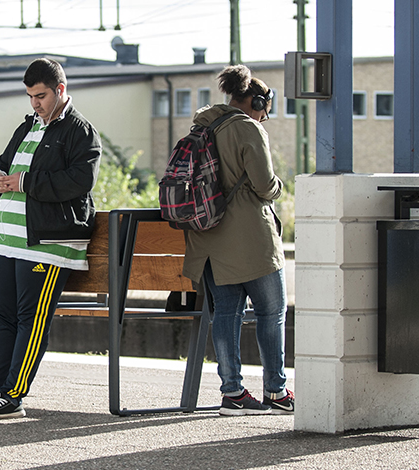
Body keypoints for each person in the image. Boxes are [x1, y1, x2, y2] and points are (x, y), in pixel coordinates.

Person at [0, 58, 101, 420]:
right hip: (6, 238)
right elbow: (3, 164)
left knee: (30, 320)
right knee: (3, 316)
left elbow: (79, 182)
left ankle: (12, 396)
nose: (35, 103)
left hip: (47, 244)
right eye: (30, 96)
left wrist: (22, 182)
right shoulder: (28, 126)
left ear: (60, 90)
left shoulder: (80, 131)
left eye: (40, 96)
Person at [183, 65, 293, 416]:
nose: (266, 117)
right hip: (249, 239)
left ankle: (232, 392)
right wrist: (278, 188)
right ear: (256, 101)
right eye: (265, 109)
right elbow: (264, 184)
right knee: (272, 311)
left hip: (208, 237)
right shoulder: (248, 128)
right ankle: (276, 391)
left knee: (227, 314)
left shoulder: (202, 126)